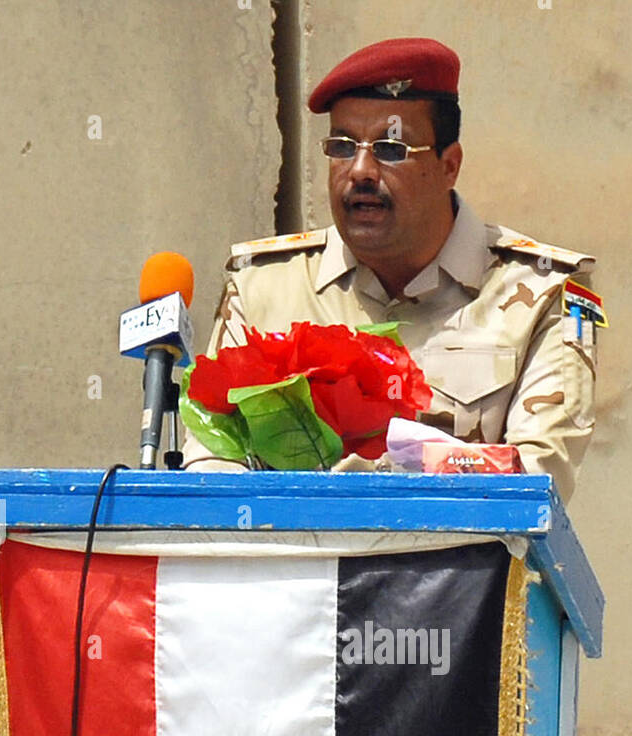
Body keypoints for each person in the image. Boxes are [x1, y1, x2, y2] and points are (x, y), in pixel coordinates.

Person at [182, 36, 602, 504]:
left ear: (450, 166)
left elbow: (535, 479)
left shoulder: (541, 290)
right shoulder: (264, 286)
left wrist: (373, 477)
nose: (360, 170)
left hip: (459, 572)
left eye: (391, 148)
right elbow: (211, 467)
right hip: (289, 570)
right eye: (342, 146)